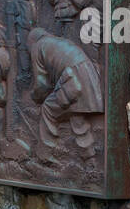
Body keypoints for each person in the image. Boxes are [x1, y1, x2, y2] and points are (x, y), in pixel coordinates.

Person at [29, 27, 103, 158]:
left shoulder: (37, 46)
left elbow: (42, 84)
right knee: (77, 115)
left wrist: (35, 97)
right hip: (89, 74)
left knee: (47, 109)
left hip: (73, 78)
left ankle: (45, 154)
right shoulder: (57, 41)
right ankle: (88, 156)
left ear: (31, 42)